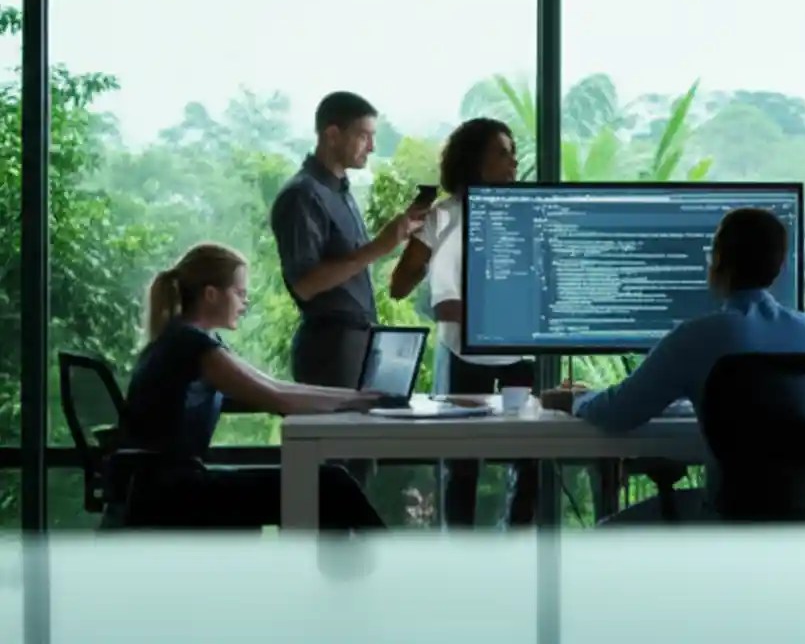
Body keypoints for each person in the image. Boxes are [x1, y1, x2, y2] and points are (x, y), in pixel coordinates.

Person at [541, 208, 805, 522]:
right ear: (779, 266)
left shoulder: (697, 337)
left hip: (730, 514)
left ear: (718, 262)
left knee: (605, 537)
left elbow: (618, 413)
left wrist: (575, 399)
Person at [117, 243, 385, 530]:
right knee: (332, 484)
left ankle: (356, 570)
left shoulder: (182, 339)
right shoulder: (192, 344)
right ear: (211, 295)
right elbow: (278, 396)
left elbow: (273, 388)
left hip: (161, 487)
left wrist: (355, 398)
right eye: (239, 293)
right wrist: (357, 400)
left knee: (329, 483)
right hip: (173, 493)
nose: (244, 304)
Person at [390, 117, 536, 529]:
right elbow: (399, 286)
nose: (512, 162)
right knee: (462, 464)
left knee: (530, 461)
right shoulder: (443, 217)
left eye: (513, 153)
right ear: (473, 159)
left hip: (518, 354)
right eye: (501, 153)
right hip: (461, 353)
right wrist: (424, 247)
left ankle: (519, 549)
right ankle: (461, 559)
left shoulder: (527, 215)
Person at [271, 91, 427, 389]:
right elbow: (305, 284)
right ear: (332, 135)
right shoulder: (302, 195)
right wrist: (379, 247)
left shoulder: (340, 191)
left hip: (357, 342)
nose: (372, 147)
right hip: (330, 348)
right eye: (363, 136)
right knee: (340, 434)